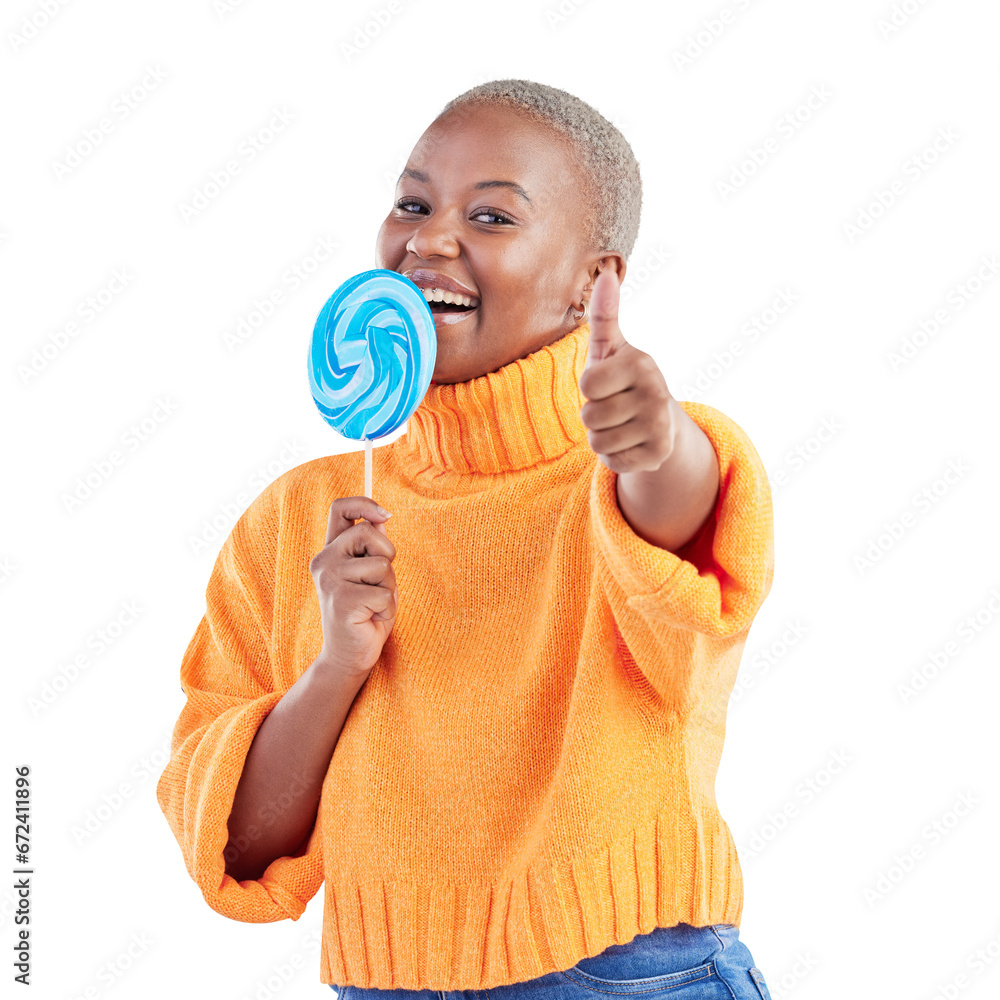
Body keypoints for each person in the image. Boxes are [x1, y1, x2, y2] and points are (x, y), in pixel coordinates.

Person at [156, 79, 776, 1000]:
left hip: (627, 974)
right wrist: (336, 666)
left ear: (592, 283)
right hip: (386, 982)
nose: (430, 238)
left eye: (491, 216)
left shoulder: (623, 471)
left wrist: (658, 439)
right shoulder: (303, 517)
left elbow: (674, 521)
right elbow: (239, 846)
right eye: (413, 203)